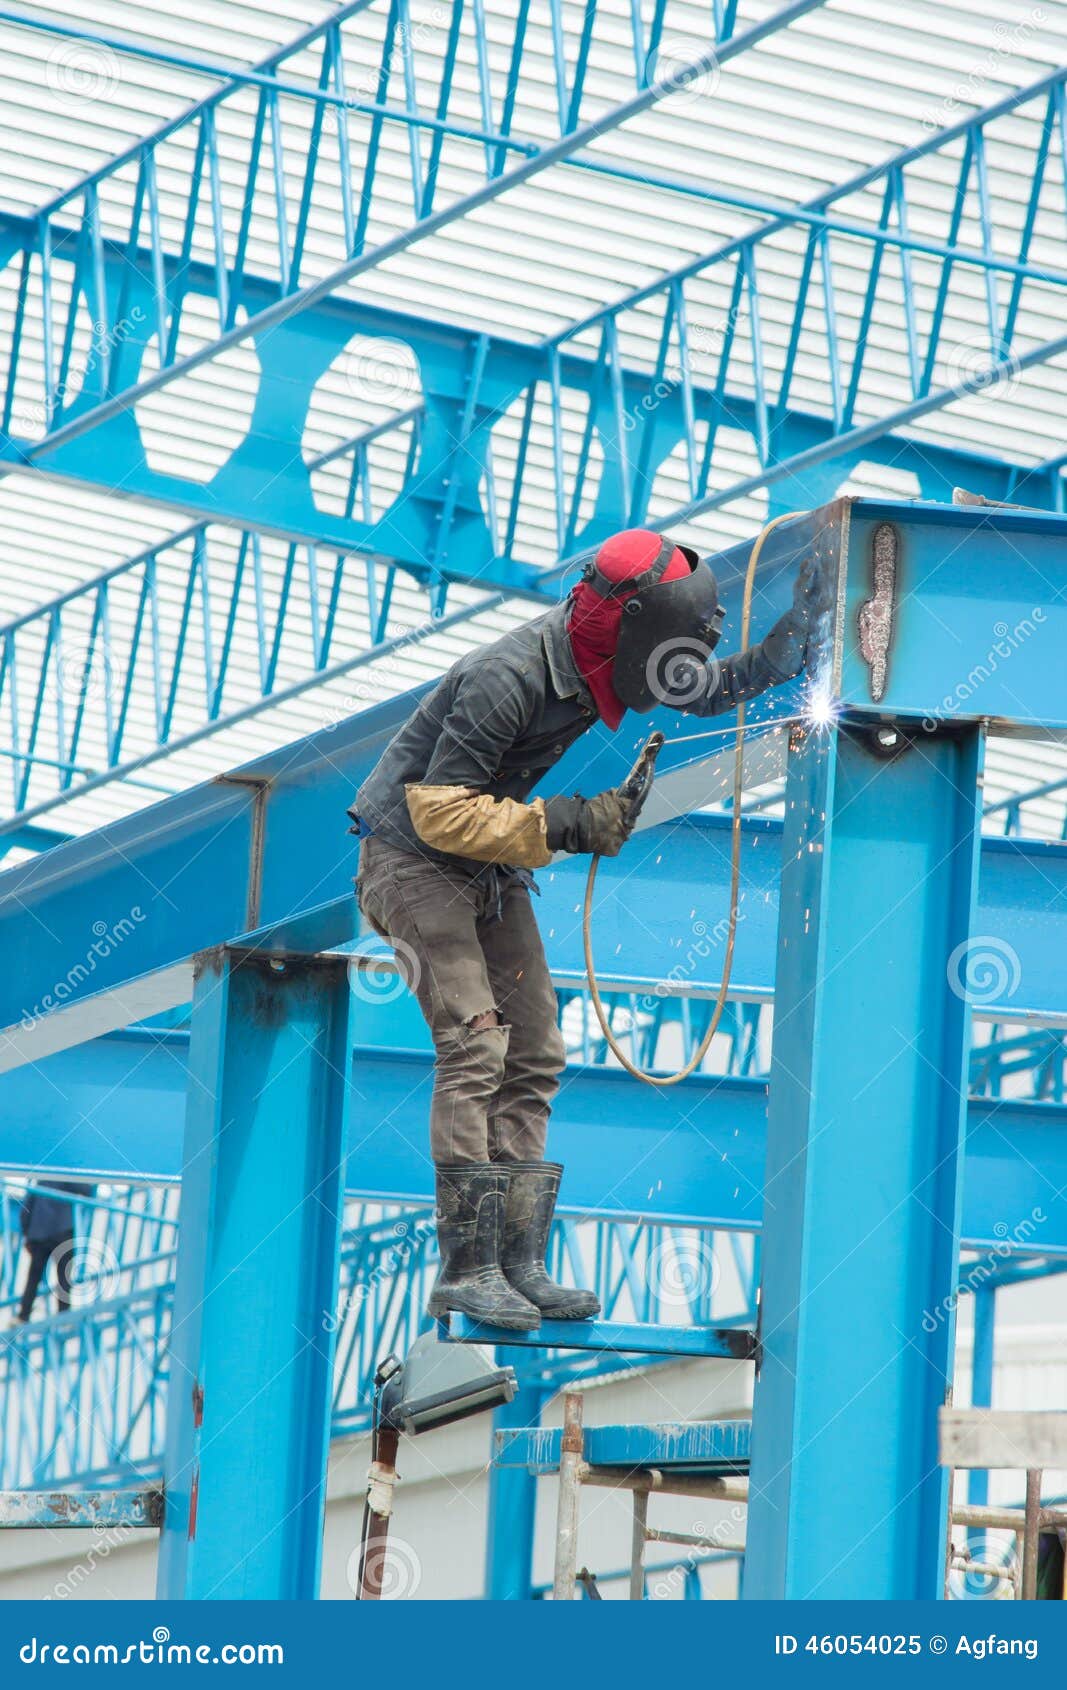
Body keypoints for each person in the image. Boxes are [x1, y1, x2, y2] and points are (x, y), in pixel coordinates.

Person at [352, 527, 820, 1329]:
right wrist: (570, 822)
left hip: (485, 866)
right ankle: (467, 1267)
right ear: (629, 622)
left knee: (535, 1048)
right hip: (410, 861)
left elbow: (703, 687)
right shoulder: (507, 675)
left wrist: (790, 641)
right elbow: (436, 810)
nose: (666, 669)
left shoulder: (608, 654)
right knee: (475, 1041)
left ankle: (518, 1261)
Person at [14, 1180, 92, 1324]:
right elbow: (87, 1190)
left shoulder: (40, 1182)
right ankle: (63, 1314)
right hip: (62, 1232)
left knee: (34, 1277)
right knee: (64, 1275)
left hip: (39, 1235)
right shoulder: (66, 1178)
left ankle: (23, 1315)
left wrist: (28, 1234)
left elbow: (25, 1210)